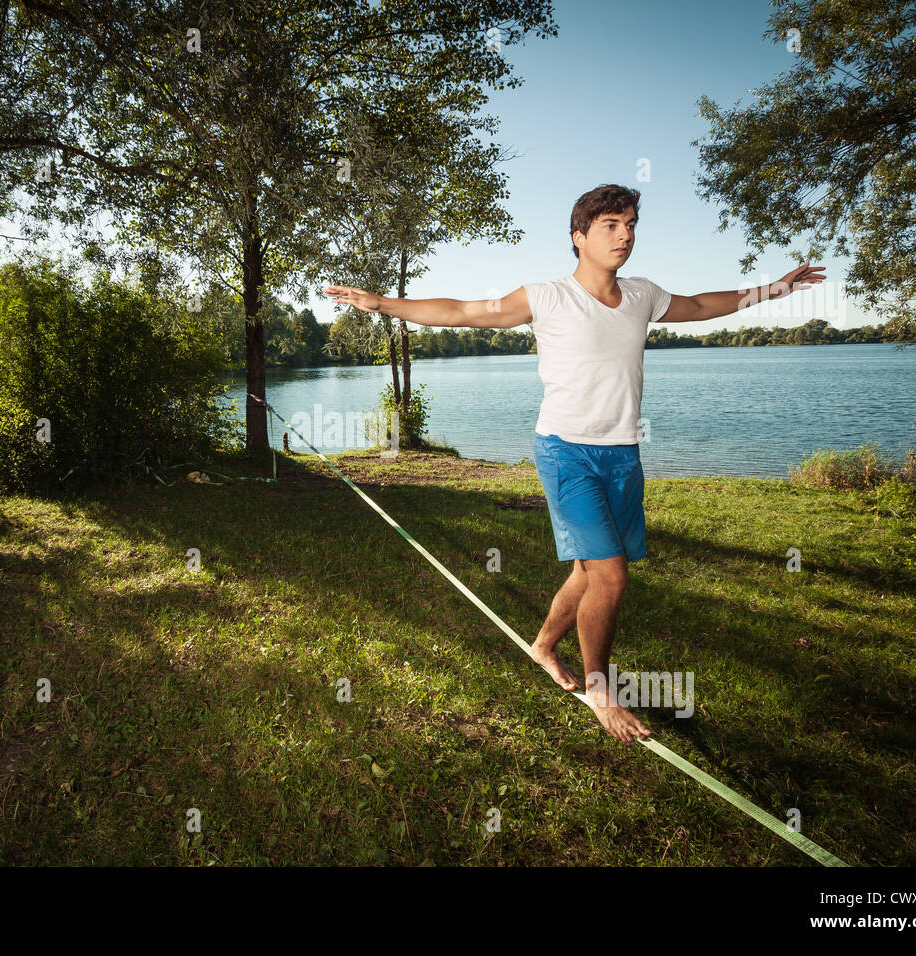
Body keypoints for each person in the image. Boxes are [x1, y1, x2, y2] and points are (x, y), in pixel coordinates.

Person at [323, 183, 824, 744]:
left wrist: (774, 288)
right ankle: (599, 691)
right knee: (611, 574)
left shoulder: (642, 295)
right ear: (579, 237)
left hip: (623, 453)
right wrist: (382, 303)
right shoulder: (546, 296)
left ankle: (542, 646)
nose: (626, 234)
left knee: (588, 571)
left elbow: (705, 306)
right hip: (565, 451)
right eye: (612, 224)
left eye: (631, 223)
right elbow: (463, 311)